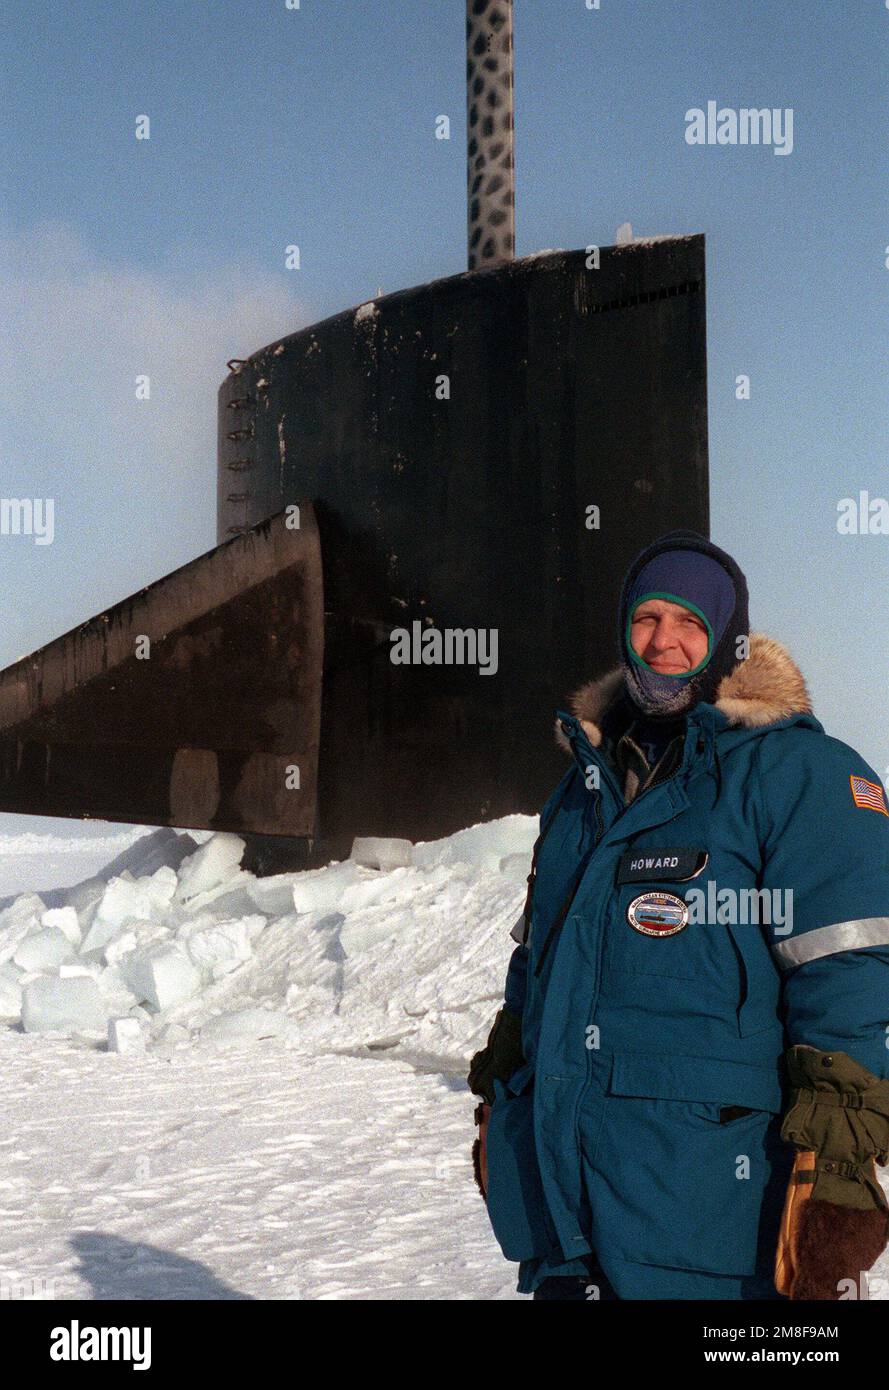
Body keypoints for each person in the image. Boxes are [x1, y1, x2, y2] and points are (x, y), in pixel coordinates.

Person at [468, 529, 889, 1300]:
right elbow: (537, 967)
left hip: (715, 1218)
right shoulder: (582, 788)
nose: (663, 641)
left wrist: (837, 1159)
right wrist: (504, 1088)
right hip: (568, 1220)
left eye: (689, 622)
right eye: (646, 619)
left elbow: (851, 972)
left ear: (726, 639)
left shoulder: (796, 773)